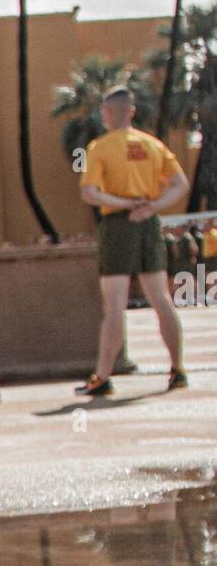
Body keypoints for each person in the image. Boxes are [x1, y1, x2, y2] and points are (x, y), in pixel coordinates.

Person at [77, 86, 190, 396]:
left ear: (108, 112)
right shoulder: (153, 145)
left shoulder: (100, 147)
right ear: (132, 111)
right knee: (161, 299)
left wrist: (124, 203)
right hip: (149, 223)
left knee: (114, 305)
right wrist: (151, 206)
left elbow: (89, 192)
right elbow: (181, 183)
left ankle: (103, 376)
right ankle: (178, 369)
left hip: (118, 225)